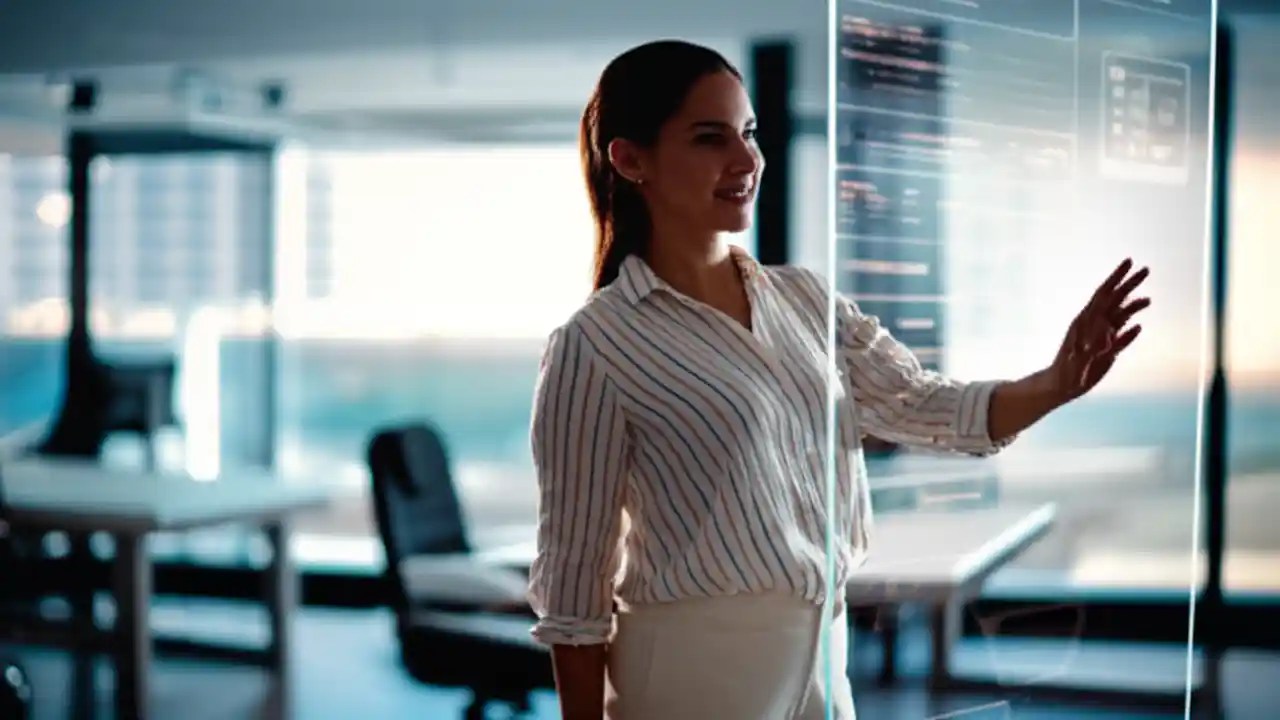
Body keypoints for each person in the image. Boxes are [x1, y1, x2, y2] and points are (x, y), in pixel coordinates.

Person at [527, 39, 1150, 720]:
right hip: (689, 678)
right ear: (630, 158)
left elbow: (922, 406)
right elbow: (574, 589)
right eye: (711, 139)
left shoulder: (804, 300)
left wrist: (1056, 382)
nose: (746, 160)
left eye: (750, 134)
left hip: (823, 658)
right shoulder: (595, 344)